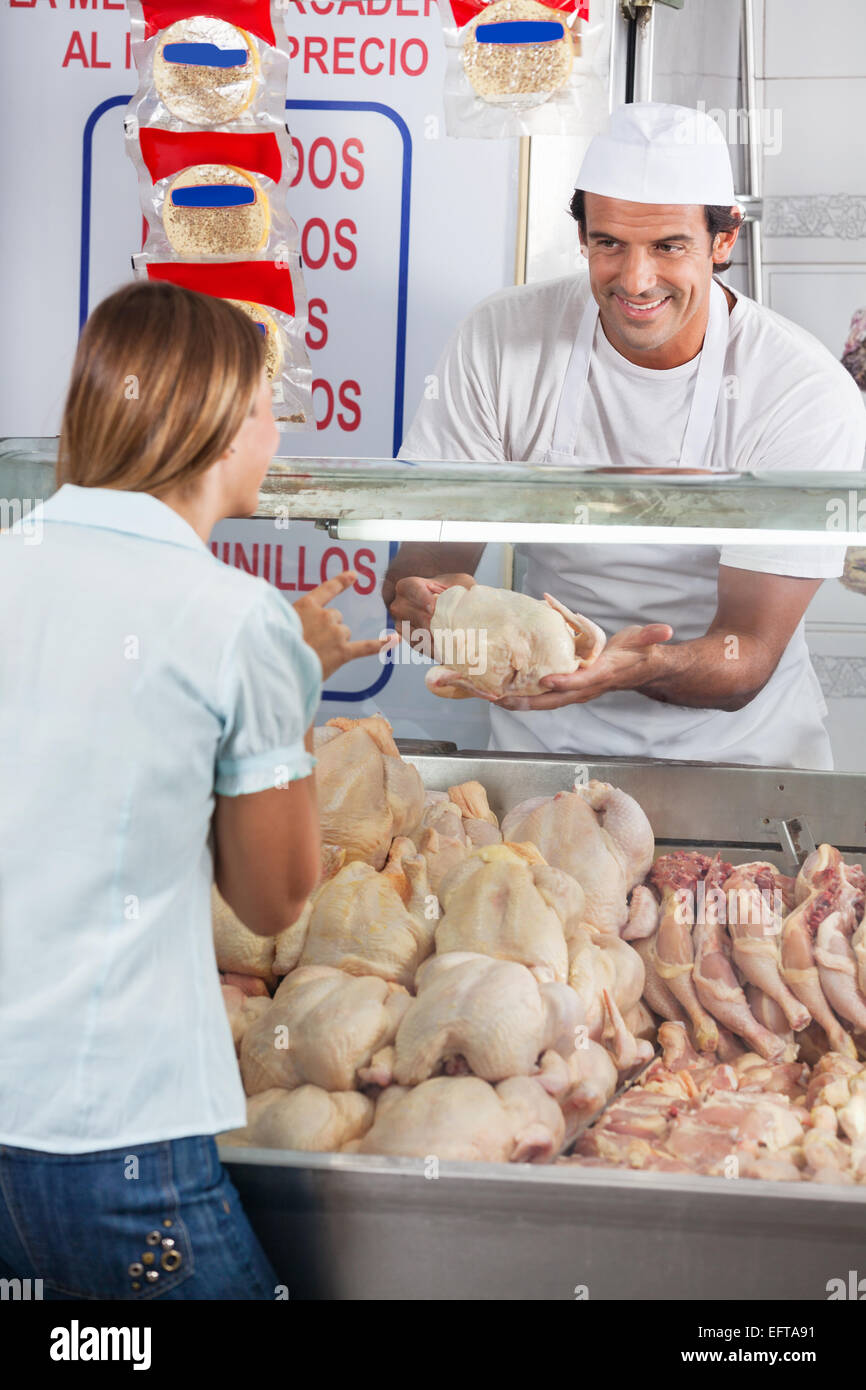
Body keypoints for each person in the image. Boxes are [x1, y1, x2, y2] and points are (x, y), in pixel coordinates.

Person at [0, 281, 387, 1299]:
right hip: (115, 1136)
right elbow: (274, 899)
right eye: (267, 407)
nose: (275, 430)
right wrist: (292, 690)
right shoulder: (236, 619)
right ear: (218, 430)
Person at [385, 102, 866, 769]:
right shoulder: (503, 339)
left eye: (669, 246)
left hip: (743, 761)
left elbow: (747, 654)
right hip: (545, 750)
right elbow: (424, 565)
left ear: (723, 241)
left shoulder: (798, 391)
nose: (636, 281)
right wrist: (422, 602)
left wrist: (632, 667)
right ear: (582, 238)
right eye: (610, 242)